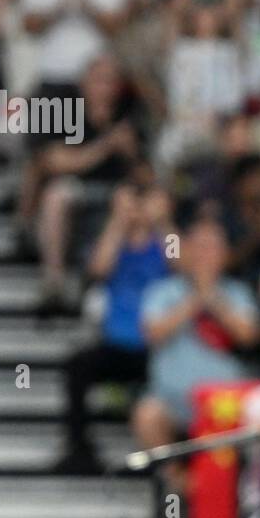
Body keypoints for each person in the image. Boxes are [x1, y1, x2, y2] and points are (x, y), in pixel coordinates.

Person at [58, 182, 173, 475]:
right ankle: (79, 450)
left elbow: (183, 265)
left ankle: (159, 461)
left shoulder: (163, 242)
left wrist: (162, 221)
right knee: (76, 366)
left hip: (156, 345)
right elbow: (98, 269)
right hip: (117, 344)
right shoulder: (116, 240)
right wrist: (118, 220)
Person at [133, 216, 260, 453]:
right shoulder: (163, 290)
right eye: (199, 247)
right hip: (173, 401)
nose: (205, 254)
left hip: (224, 400)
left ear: (225, 255)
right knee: (147, 415)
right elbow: (151, 333)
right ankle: (177, 482)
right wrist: (195, 299)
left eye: (212, 247)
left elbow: (248, 335)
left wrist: (213, 298)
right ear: (187, 251)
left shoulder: (237, 292)